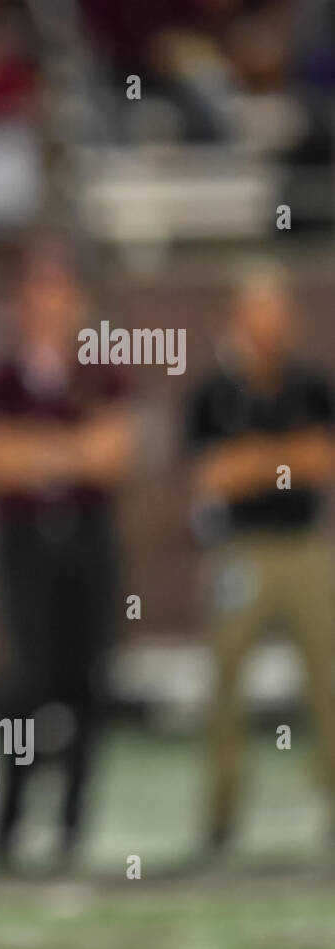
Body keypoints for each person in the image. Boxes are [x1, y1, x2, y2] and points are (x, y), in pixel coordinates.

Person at [0, 251, 135, 870]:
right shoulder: (0, 377)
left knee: (87, 679)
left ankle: (71, 823)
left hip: (89, 538)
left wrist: (37, 452)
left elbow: (111, 456)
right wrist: (71, 450)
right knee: (28, 682)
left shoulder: (101, 371)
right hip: (27, 544)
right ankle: (11, 820)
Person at [187, 265, 335, 855]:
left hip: (304, 549)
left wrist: (258, 460)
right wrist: (286, 457)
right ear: (239, 321)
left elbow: (323, 459)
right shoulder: (215, 393)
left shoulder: (313, 384)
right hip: (239, 553)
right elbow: (215, 477)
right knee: (225, 689)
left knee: (327, 680)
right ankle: (221, 817)